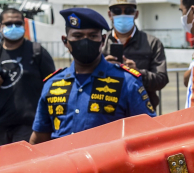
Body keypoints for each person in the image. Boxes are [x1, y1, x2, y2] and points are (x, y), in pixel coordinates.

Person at [31, 8, 155, 143]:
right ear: (65, 41)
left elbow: (149, 132)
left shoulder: (127, 82)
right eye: (77, 36)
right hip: (63, 162)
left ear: (102, 40)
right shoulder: (52, 84)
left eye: (92, 36)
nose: (85, 41)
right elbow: (40, 139)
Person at [0, 7, 55, 145]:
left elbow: (53, 82)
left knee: (22, 162)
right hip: (2, 123)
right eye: (9, 24)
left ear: (24, 25)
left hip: (30, 123)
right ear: (0, 27)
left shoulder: (37, 52)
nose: (14, 27)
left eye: (18, 23)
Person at [104, 0, 168, 113]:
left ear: (136, 14)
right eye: (117, 11)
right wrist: (102, 67)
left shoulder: (153, 43)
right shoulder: (101, 43)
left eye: (128, 11)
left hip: (142, 111)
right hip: (108, 112)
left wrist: (138, 73)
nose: (123, 15)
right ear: (110, 14)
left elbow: (161, 80)